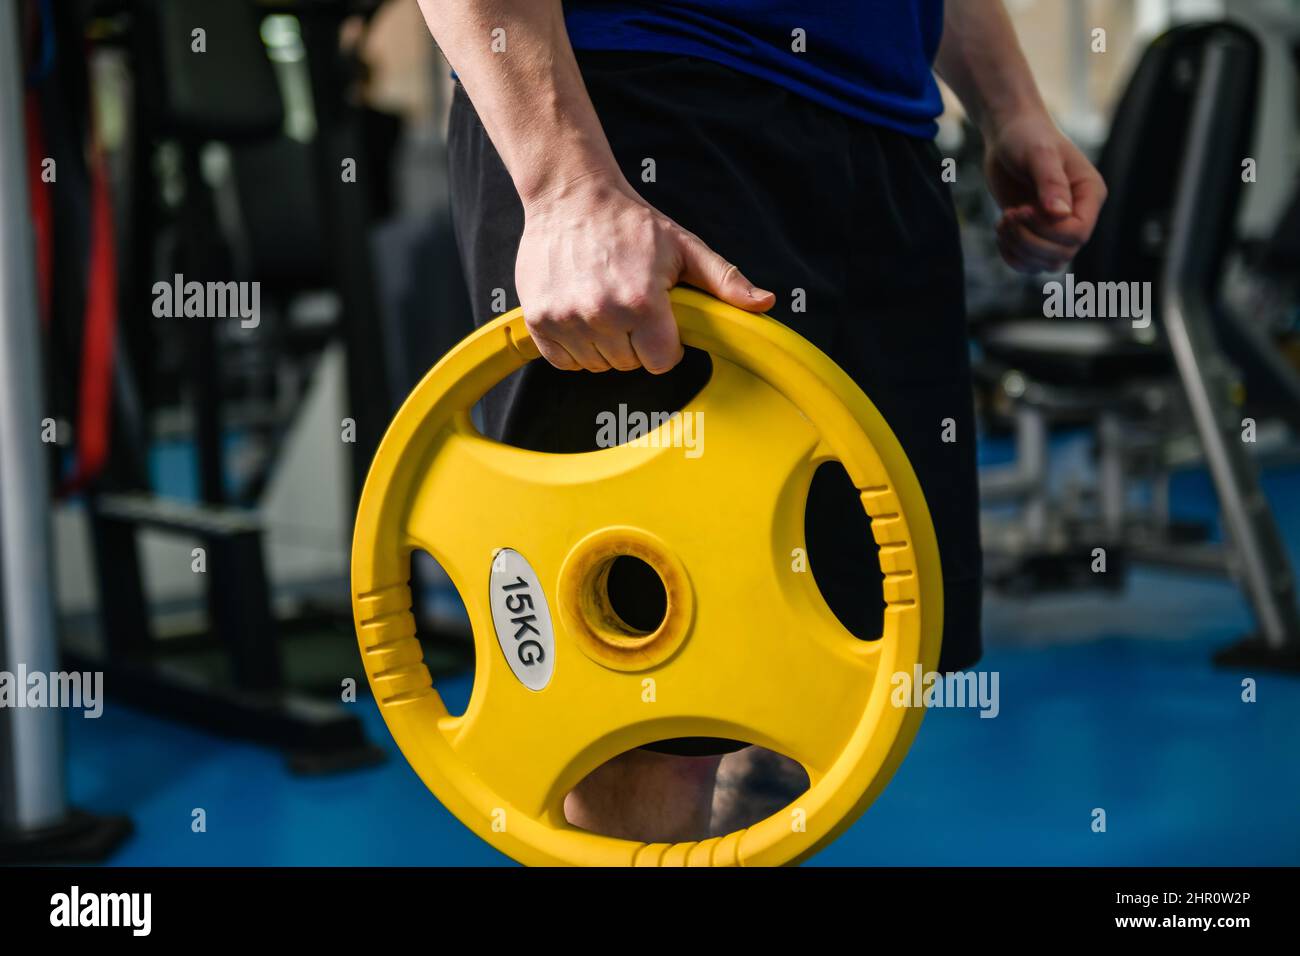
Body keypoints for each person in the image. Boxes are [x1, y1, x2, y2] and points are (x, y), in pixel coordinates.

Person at [417, 0, 1106, 842]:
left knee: (826, 664)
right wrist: (565, 182)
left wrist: (1012, 108)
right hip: (642, 96)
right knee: (643, 698)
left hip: (883, 134)